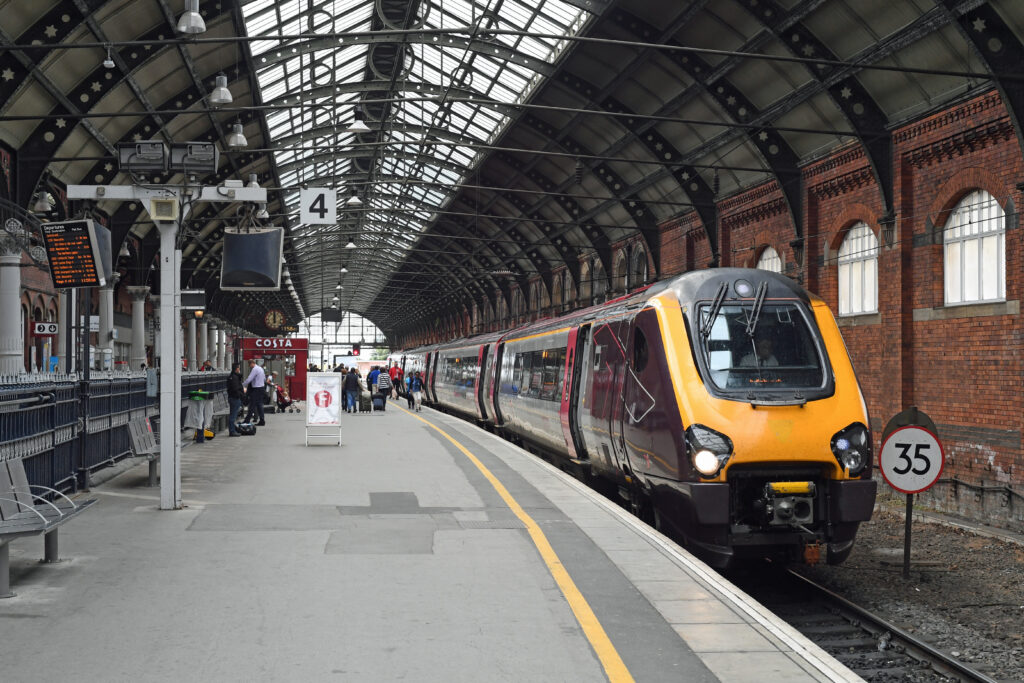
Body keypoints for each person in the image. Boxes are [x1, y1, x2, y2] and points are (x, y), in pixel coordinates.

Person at [242, 358, 267, 425]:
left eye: (249, 365)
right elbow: (264, 379)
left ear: (251, 363)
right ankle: (262, 420)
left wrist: (242, 385)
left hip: (256, 389)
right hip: (261, 388)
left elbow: (249, 379)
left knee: (252, 405)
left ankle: (246, 420)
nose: (249, 366)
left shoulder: (255, 369)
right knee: (259, 405)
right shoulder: (260, 368)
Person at [226, 362, 244, 436]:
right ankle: (232, 431)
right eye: (239, 368)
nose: (239, 369)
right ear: (236, 369)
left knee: (233, 415)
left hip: (233, 397)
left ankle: (232, 430)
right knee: (233, 416)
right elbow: (235, 388)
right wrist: (240, 395)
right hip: (234, 398)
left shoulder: (232, 376)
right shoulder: (234, 377)